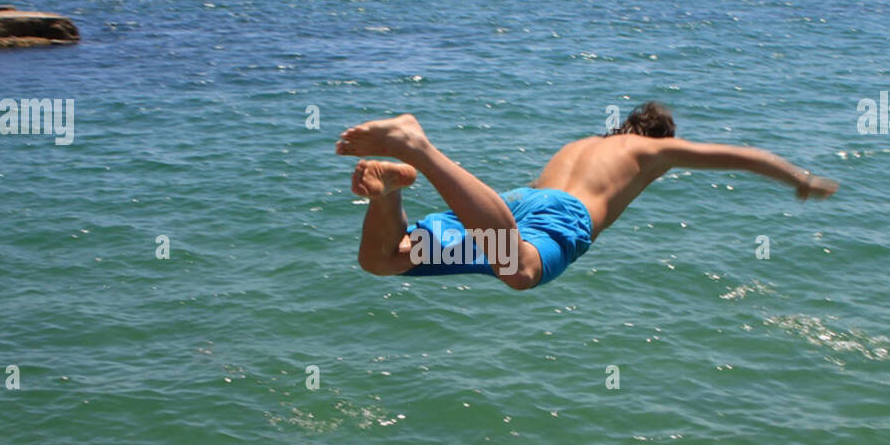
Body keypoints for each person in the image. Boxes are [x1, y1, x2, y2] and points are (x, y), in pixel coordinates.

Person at [337, 102, 839, 290]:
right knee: (521, 271)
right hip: (557, 217)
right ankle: (419, 148)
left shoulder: (579, 145)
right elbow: (739, 155)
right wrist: (799, 179)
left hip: (514, 206)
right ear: (660, 135)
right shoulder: (651, 150)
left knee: (385, 260)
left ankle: (389, 195)